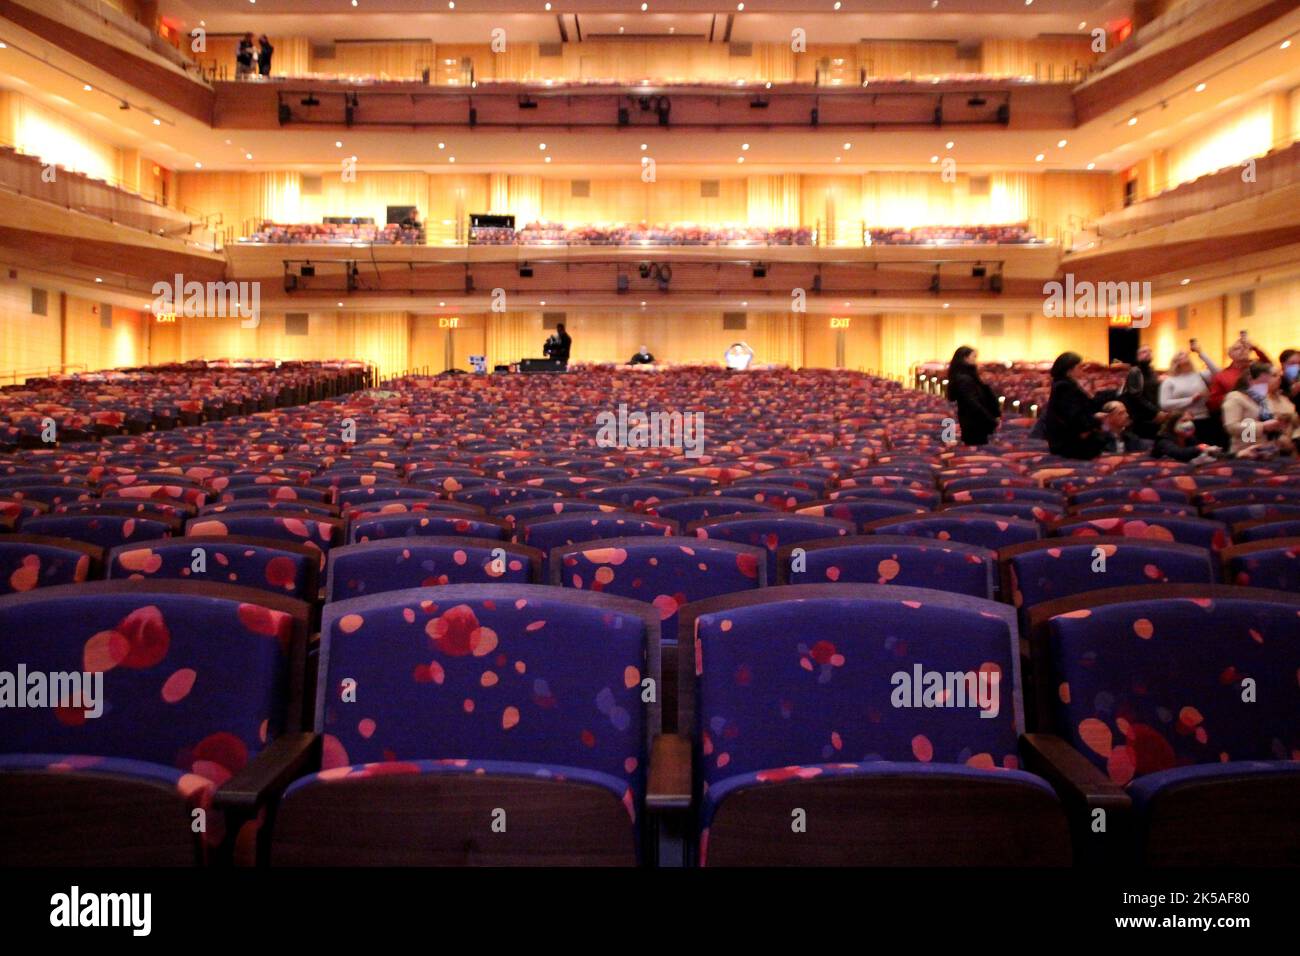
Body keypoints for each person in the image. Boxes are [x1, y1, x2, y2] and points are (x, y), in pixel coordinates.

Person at [1043, 351, 1104, 460]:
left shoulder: (1066, 385)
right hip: (1070, 444)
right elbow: (1075, 416)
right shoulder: (1064, 387)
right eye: (1079, 367)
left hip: (1071, 440)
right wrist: (1095, 419)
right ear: (1069, 370)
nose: (1082, 369)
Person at [1221, 362, 1290, 457]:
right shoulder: (1235, 397)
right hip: (1245, 452)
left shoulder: (1263, 398)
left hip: (1269, 451)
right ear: (1251, 379)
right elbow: (1232, 427)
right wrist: (1263, 427)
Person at [1158, 345, 1220, 445]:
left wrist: (1200, 353)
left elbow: (1218, 372)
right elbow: (1164, 404)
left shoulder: (1200, 375)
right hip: (1182, 423)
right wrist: (1190, 400)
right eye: (1180, 355)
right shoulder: (1170, 381)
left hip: (1204, 419)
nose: (1184, 356)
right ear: (1175, 361)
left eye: (1185, 354)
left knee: (1207, 450)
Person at [944, 346, 1000, 446]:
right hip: (974, 423)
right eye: (973, 357)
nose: (976, 360)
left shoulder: (968, 376)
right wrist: (990, 419)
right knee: (976, 448)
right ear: (965, 358)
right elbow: (972, 403)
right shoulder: (963, 379)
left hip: (975, 422)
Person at [1207, 336, 1271, 414]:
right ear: (1230, 355)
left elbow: (1270, 366)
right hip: (1239, 414)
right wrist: (1236, 395)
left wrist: (1255, 347)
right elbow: (1212, 403)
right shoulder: (1222, 376)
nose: (1242, 350)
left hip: (1265, 410)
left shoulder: (1257, 367)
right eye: (1237, 349)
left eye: (1245, 347)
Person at [1121, 345, 1166, 439]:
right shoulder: (1135, 372)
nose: (1147, 353)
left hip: (1155, 415)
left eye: (1149, 351)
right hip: (1141, 417)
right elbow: (1136, 397)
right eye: (1144, 352)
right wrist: (1156, 412)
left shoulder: (1153, 372)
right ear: (1138, 357)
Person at [1153, 412, 1221, 464]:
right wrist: (1199, 448)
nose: (1190, 424)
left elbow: (1196, 455)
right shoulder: (1163, 440)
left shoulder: (1191, 439)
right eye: (1184, 421)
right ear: (1172, 424)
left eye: (1191, 421)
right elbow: (1178, 454)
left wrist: (1210, 451)